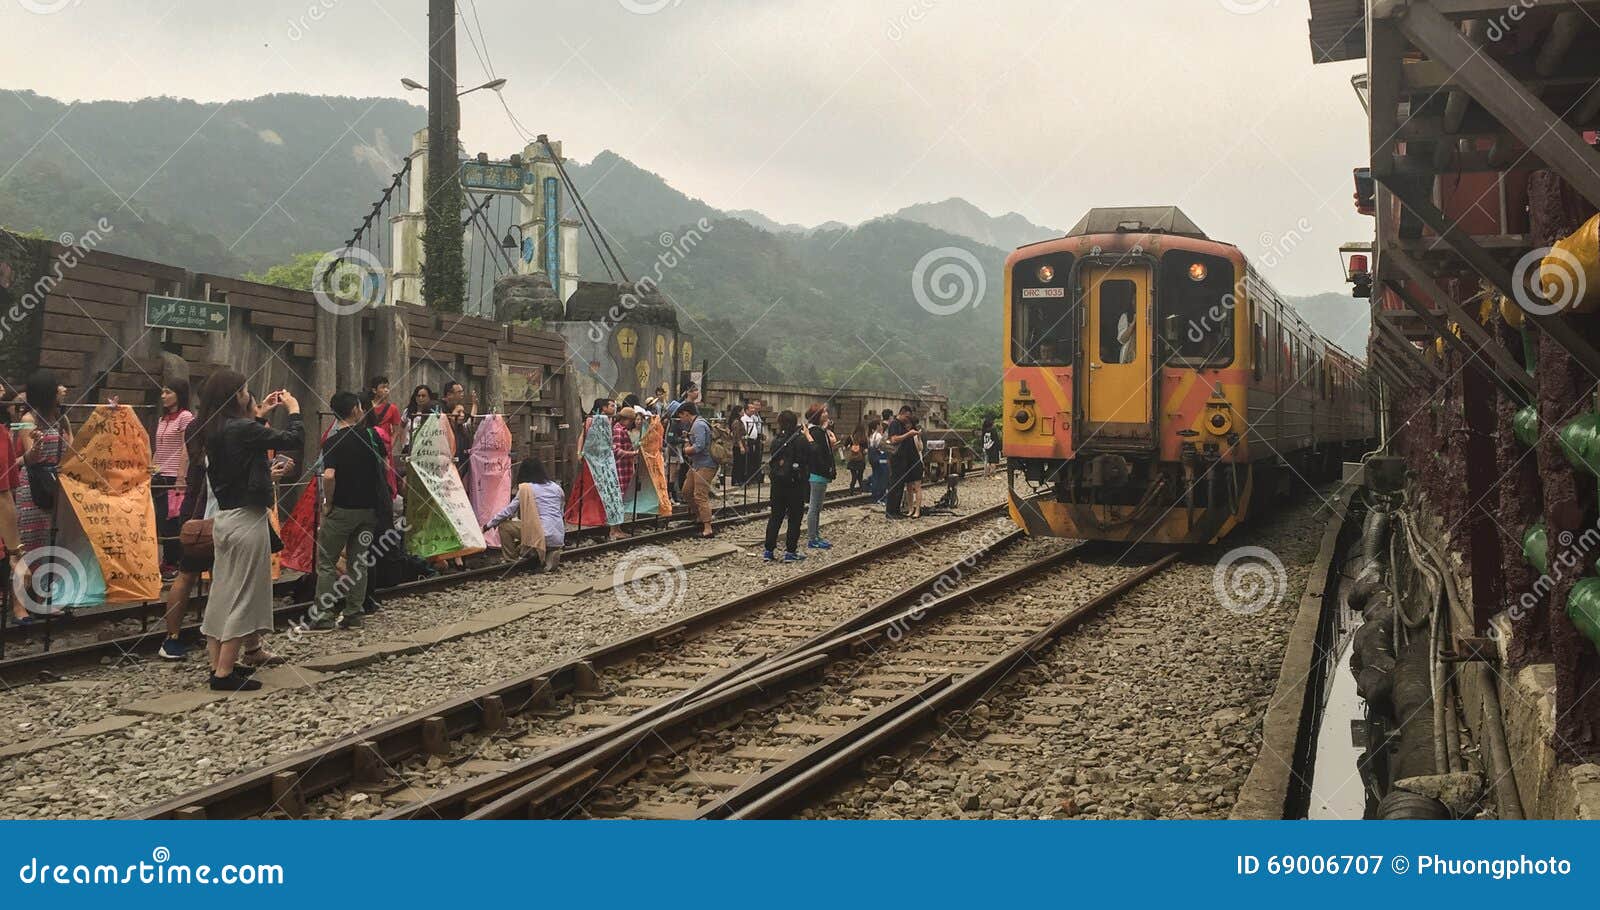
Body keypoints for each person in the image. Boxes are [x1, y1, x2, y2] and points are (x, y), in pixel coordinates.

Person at [199, 371, 303, 690]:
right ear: (235, 396)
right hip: (248, 520)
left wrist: (259, 417)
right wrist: (294, 410)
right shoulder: (242, 429)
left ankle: (217, 664)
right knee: (243, 596)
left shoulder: (214, 429)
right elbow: (292, 440)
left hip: (226, 519)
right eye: (244, 391)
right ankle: (224, 674)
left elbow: (243, 453)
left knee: (222, 594)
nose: (248, 394)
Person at [307, 391, 383, 632]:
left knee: (327, 562)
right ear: (355, 410)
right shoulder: (372, 437)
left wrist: (328, 502)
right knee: (358, 561)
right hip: (368, 510)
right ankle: (353, 613)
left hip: (341, 510)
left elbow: (329, 475)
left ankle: (323, 616)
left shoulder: (332, 442)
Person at [13, 372, 72, 620]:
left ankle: (40, 598)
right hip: (33, 485)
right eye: (57, 387)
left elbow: (71, 449)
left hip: (53, 483)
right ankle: (19, 604)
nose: (62, 390)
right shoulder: (28, 419)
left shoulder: (59, 418)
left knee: (49, 542)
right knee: (27, 542)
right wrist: (36, 446)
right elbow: (31, 458)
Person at [483, 457, 566, 569]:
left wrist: (487, 525)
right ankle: (547, 553)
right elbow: (560, 512)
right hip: (558, 536)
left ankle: (512, 559)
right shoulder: (557, 488)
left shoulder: (526, 488)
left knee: (504, 526)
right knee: (533, 533)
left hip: (540, 535)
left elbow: (508, 512)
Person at [152, 379, 193, 579]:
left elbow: (187, 447)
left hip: (174, 476)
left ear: (179, 394)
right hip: (160, 475)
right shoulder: (163, 419)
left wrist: (181, 475)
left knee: (172, 520)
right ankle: (167, 560)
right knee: (161, 519)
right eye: (163, 392)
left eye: (168, 392)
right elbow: (159, 449)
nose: (164, 396)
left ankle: (172, 562)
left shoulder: (185, 417)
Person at [762, 410, 808, 562]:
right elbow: (807, 458)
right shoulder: (800, 440)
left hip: (777, 484)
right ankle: (790, 551)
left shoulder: (776, 440)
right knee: (794, 518)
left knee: (775, 516)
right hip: (795, 484)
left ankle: (768, 550)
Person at [675, 402, 716, 539]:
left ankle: (707, 527)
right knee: (687, 491)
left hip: (705, 464)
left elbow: (699, 446)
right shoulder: (696, 424)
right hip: (697, 464)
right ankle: (700, 517)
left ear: (687, 413)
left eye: (681, 416)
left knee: (700, 494)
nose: (681, 420)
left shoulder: (698, 425)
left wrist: (686, 449)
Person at [803, 403, 837, 549]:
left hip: (820, 474)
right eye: (823, 412)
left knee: (817, 507)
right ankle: (812, 537)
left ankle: (815, 535)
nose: (826, 414)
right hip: (817, 474)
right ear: (817, 415)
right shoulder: (816, 432)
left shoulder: (820, 431)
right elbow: (817, 452)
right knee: (814, 507)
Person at [363, 375, 402, 494]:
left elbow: (396, 429)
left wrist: (390, 444)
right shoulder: (366, 406)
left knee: (386, 473)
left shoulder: (392, 409)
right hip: (368, 442)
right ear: (374, 390)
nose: (386, 390)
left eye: (387, 387)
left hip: (385, 445)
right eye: (383, 387)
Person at [884, 405, 919, 519]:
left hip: (903, 459)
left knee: (899, 486)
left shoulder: (902, 425)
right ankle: (891, 511)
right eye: (907, 416)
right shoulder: (894, 424)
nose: (907, 419)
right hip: (896, 459)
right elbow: (894, 439)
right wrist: (908, 434)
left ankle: (896, 510)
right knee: (895, 484)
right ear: (902, 413)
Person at [613, 405, 639, 519]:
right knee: (619, 496)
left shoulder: (622, 429)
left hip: (626, 469)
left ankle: (619, 526)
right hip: (621, 468)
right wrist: (634, 453)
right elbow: (617, 451)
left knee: (623, 496)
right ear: (626, 419)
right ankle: (616, 527)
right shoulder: (618, 430)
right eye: (631, 421)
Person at [738, 400, 764, 488]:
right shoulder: (744, 419)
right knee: (747, 461)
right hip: (748, 440)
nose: (753, 409)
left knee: (753, 460)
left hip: (754, 440)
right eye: (751, 408)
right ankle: (746, 478)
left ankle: (753, 477)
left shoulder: (753, 418)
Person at [905, 413, 926, 519]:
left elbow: (920, 448)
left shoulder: (915, 434)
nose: (906, 425)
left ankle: (917, 510)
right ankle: (910, 509)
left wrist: (918, 437)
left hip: (916, 462)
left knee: (917, 487)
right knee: (908, 487)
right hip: (907, 463)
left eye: (908, 423)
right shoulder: (903, 434)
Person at [844, 422, 867, 492]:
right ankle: (862, 489)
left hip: (852, 460)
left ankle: (851, 490)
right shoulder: (864, 438)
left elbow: (845, 446)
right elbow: (866, 449)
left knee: (854, 476)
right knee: (860, 476)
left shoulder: (851, 437)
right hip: (861, 459)